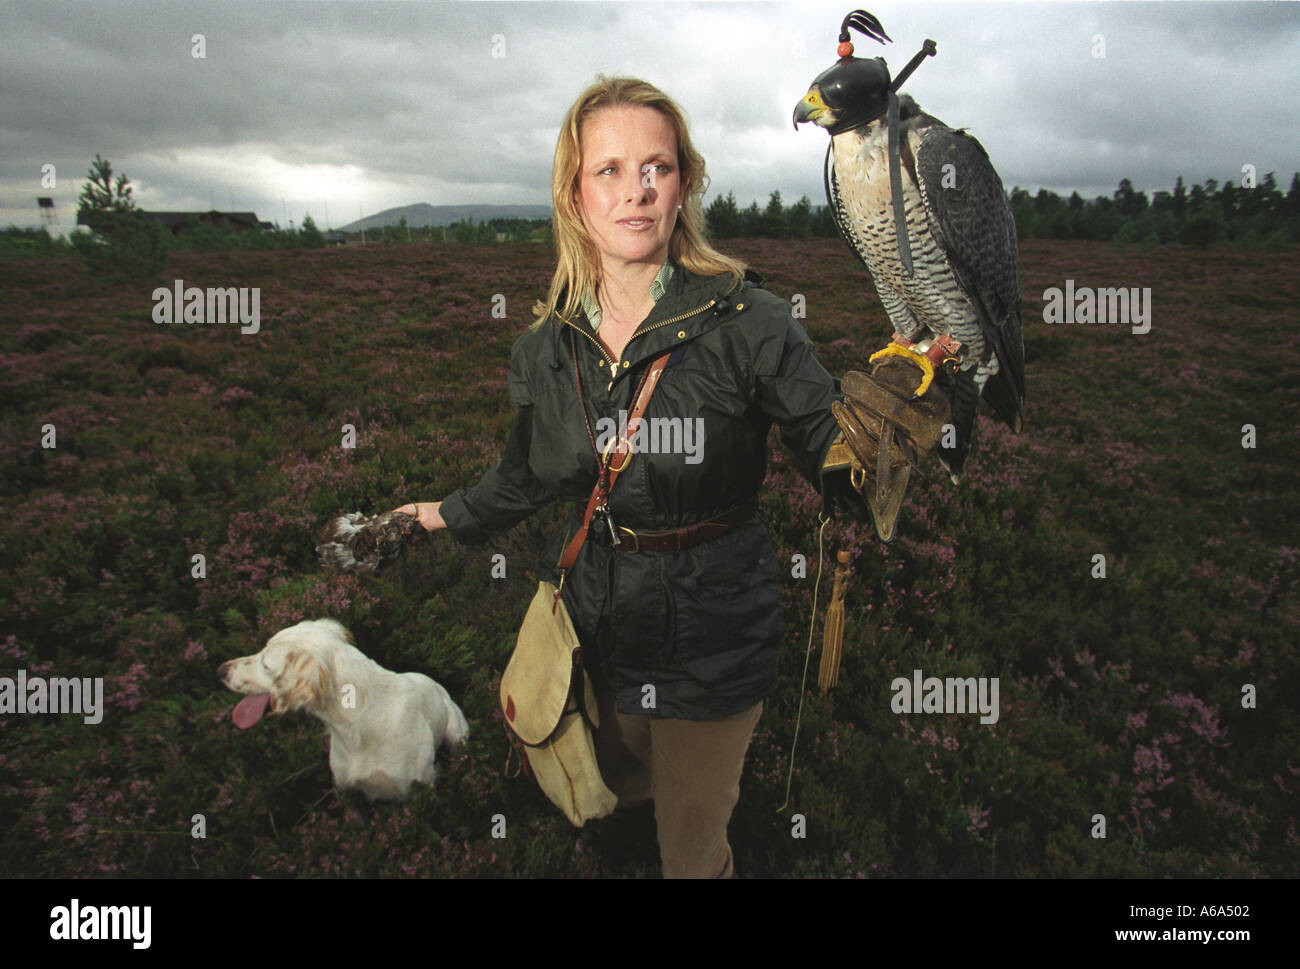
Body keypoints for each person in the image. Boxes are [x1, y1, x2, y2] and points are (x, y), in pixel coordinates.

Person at [392, 75, 868, 878]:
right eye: (608, 170)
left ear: (685, 185)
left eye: (658, 167)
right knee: (614, 791)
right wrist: (437, 515)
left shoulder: (750, 322)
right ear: (574, 196)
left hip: (711, 640)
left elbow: (834, 450)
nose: (637, 190)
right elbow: (525, 473)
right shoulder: (547, 347)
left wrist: (878, 451)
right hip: (596, 627)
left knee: (690, 851)